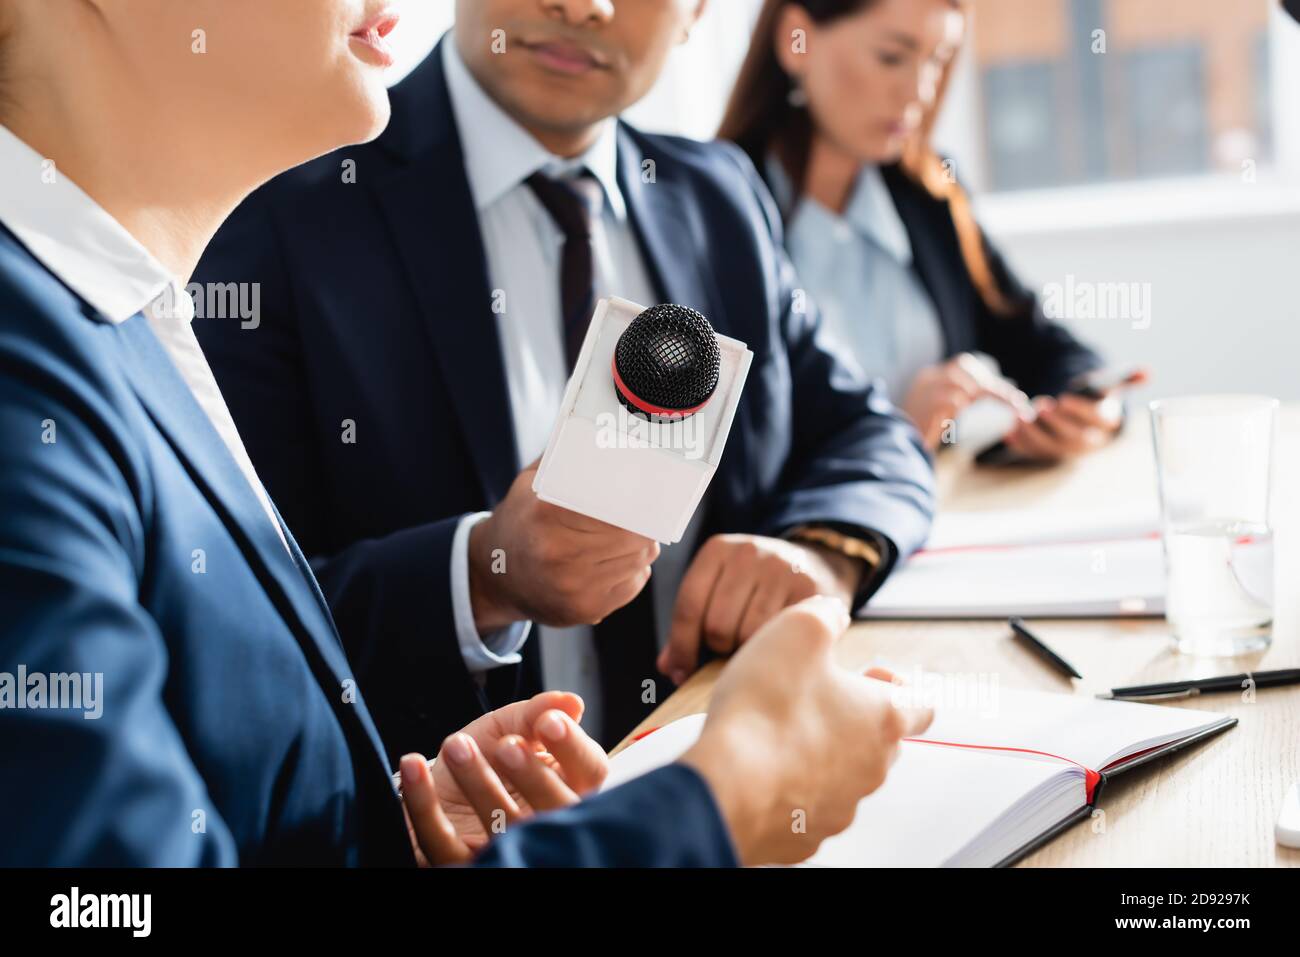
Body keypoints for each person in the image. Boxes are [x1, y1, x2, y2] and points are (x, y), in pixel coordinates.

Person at [0, 0, 932, 869]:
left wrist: (377, 822)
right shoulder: (198, 262)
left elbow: (215, 696)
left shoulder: (125, 313)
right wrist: (722, 805)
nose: (583, 5)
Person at [193, 0, 936, 753]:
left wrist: (820, 553)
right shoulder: (277, 214)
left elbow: (869, 433)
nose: (586, 6)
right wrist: (483, 574)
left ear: (697, 14)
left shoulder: (719, 196)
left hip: (722, 783)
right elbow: (226, 616)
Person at [719, 0, 1134, 459]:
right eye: (892, 57)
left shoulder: (931, 193)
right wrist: (896, 433)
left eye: (937, 60)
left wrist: (1091, 408)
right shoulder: (711, 211)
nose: (920, 91)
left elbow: (1040, 343)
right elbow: (726, 458)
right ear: (795, 40)